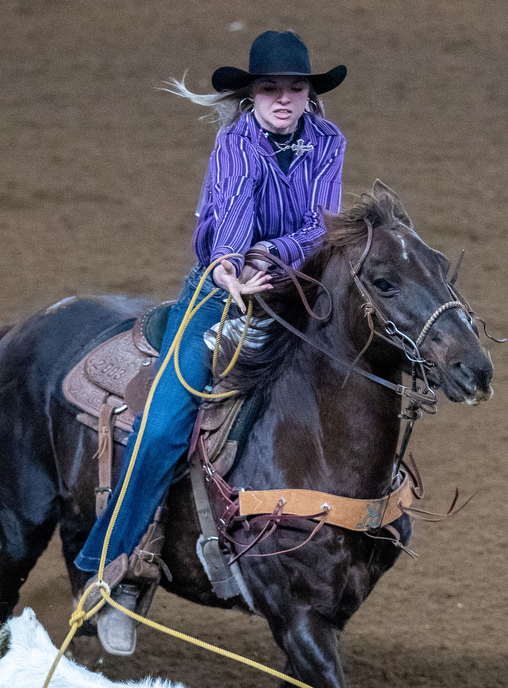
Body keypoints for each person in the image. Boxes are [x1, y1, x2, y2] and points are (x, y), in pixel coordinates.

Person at [75, 30, 348, 655]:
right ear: (251, 94)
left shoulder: (329, 142)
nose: (284, 99)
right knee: (166, 421)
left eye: (295, 88)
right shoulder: (235, 143)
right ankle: (111, 569)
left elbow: (319, 224)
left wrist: (270, 257)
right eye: (271, 89)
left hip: (291, 283)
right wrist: (230, 264)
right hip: (219, 291)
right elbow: (226, 215)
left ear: (310, 93)